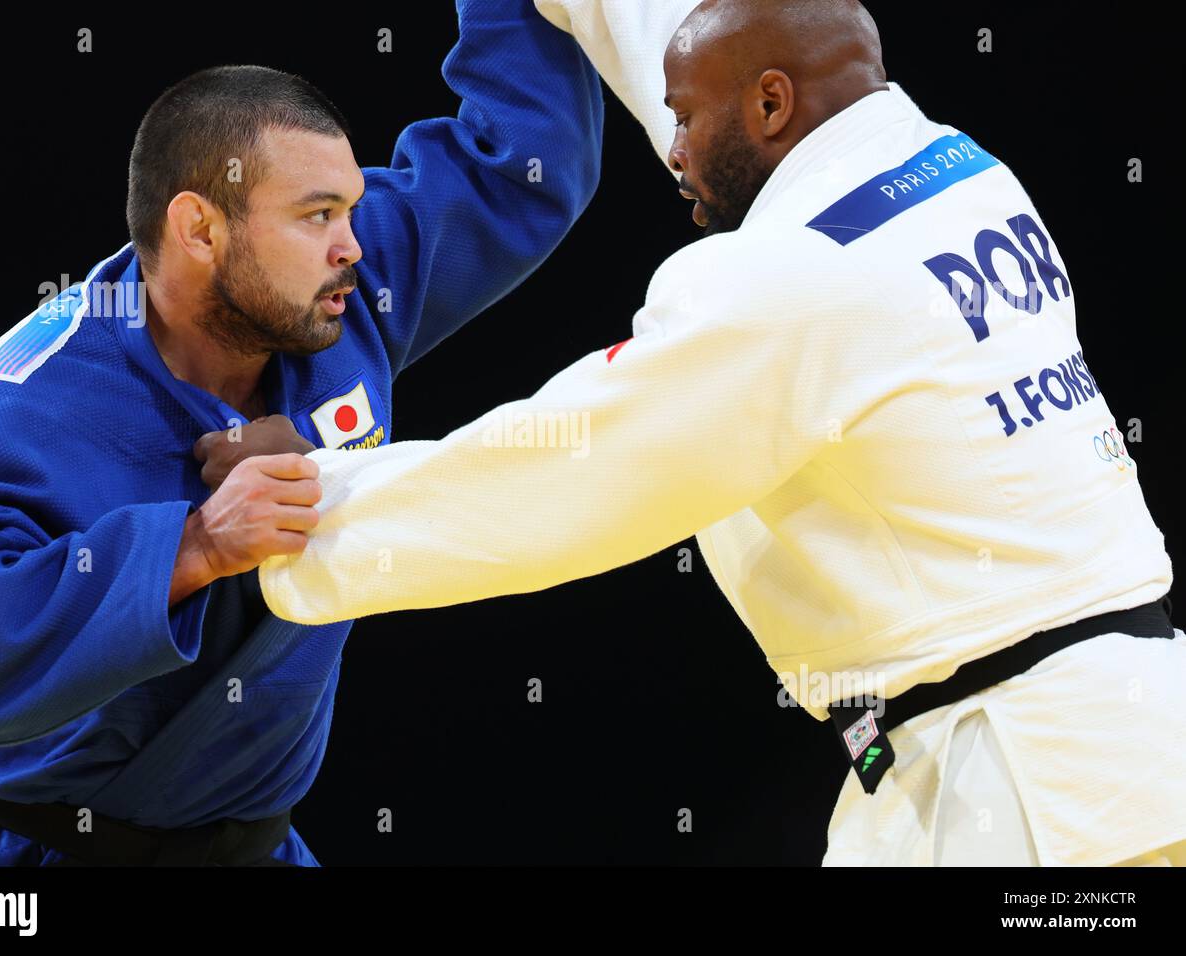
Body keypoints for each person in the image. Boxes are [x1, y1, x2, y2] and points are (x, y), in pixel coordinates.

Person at [207, 0, 1186, 865]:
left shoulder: (787, 279)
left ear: (768, 106)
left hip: (1035, 799)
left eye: (684, 120)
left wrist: (307, 502)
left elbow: (572, 469)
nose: (671, 148)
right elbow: (707, 44)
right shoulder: (958, 173)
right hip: (1113, 745)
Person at [0, 0, 603, 866]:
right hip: (15, 858)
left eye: (352, 210)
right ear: (200, 229)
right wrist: (196, 546)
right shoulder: (20, 408)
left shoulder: (339, 296)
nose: (355, 247)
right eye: (316, 216)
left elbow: (517, 167)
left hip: (252, 848)